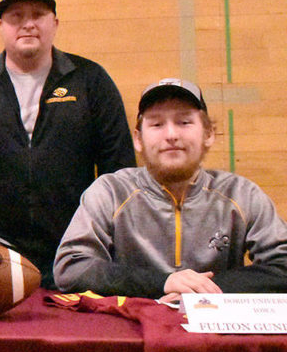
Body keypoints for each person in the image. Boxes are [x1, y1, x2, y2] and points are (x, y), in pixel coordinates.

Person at [0, 0, 135, 287]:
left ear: (55, 22)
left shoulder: (91, 81)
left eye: (37, 14)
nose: (27, 24)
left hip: (76, 245)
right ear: (1, 25)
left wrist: (115, 242)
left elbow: (118, 172)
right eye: (16, 16)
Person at [54, 79, 287, 299]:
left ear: (208, 134)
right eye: (156, 124)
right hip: (132, 331)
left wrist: (202, 289)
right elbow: (71, 268)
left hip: (215, 334)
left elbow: (283, 263)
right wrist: (162, 283)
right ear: (138, 139)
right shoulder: (110, 191)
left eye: (184, 122)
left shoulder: (241, 194)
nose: (171, 135)